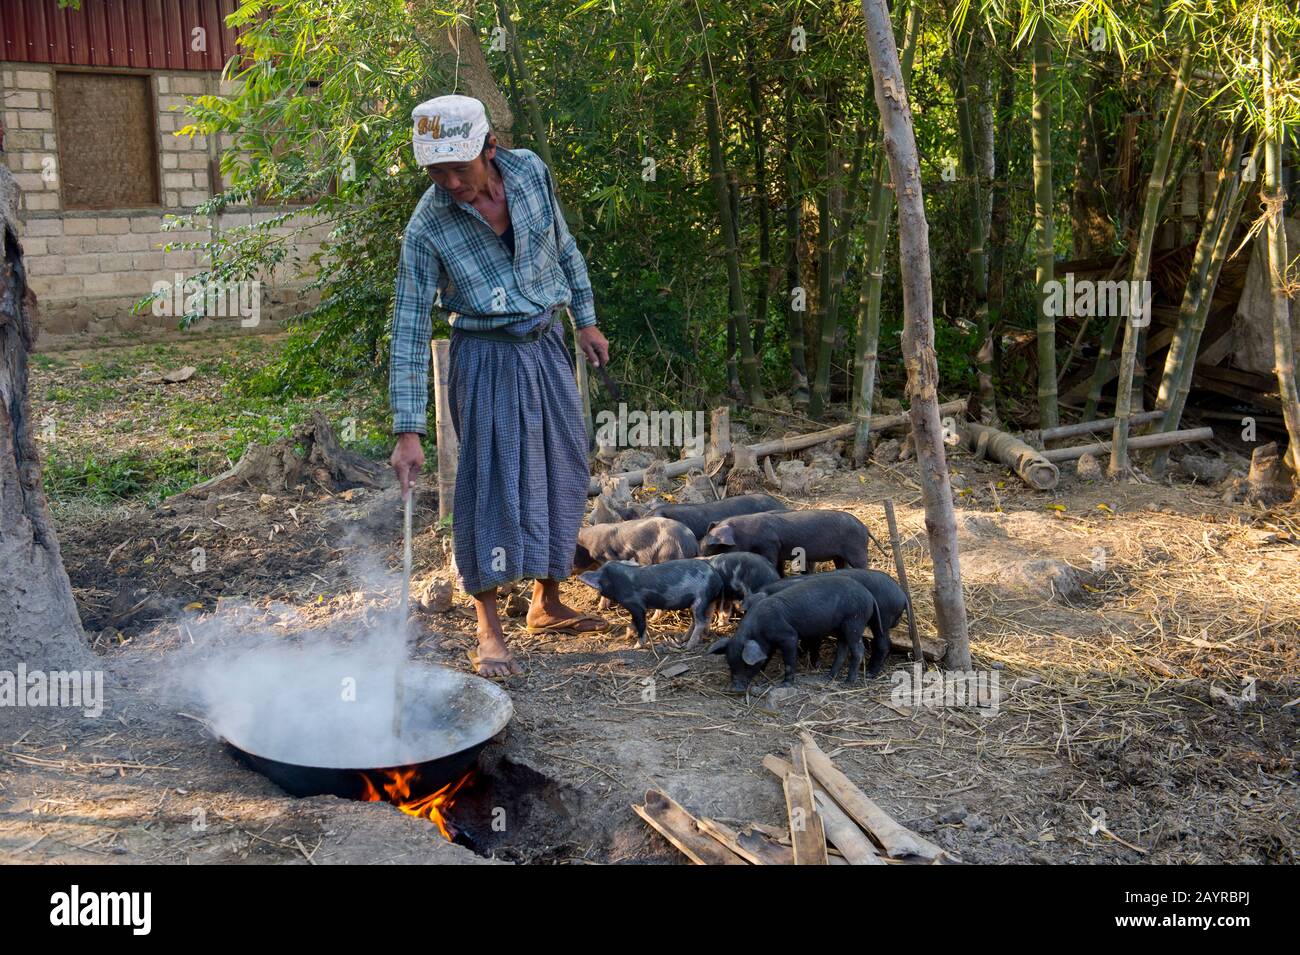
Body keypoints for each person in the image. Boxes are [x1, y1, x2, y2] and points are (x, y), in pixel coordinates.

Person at [388, 95, 610, 677]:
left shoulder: (531, 172)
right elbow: (409, 327)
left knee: (562, 470)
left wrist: (583, 318)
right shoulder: (427, 226)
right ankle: (489, 631)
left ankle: (547, 601)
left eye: (459, 167)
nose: (451, 181)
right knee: (489, 486)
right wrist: (408, 430)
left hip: (546, 345)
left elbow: (562, 247)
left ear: (491, 147)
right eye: (437, 171)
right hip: (484, 358)